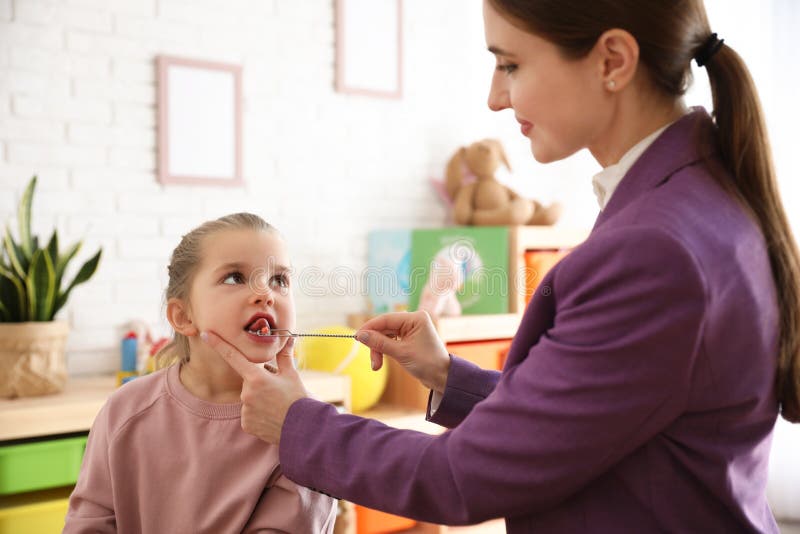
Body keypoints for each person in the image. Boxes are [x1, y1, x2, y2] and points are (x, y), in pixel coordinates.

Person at [205, 1, 800, 532]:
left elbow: (460, 479)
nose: (495, 97)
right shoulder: (694, 203)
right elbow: (592, 422)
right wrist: (446, 374)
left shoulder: (654, 249)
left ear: (613, 61)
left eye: (510, 64)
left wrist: (296, 424)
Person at [63, 213, 337, 533]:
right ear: (182, 316)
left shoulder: (304, 432)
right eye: (235, 277)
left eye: (280, 280)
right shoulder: (124, 411)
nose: (266, 293)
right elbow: (90, 521)